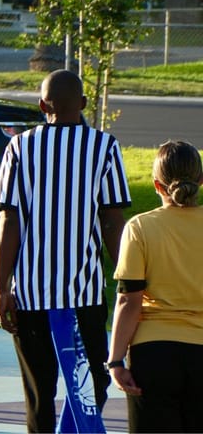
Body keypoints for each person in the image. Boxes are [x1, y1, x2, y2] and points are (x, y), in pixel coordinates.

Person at [0, 69, 131, 433]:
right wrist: (125, 278)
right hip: (83, 292)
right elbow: (113, 220)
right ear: (84, 104)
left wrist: (1, 286)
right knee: (91, 387)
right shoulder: (104, 147)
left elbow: (9, 220)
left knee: (38, 394)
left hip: (29, 293)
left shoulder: (19, 147)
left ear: (41, 106)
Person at [108, 140, 203, 433]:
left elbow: (129, 301)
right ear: (200, 181)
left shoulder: (140, 227)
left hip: (153, 353)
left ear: (156, 185)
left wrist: (115, 361)